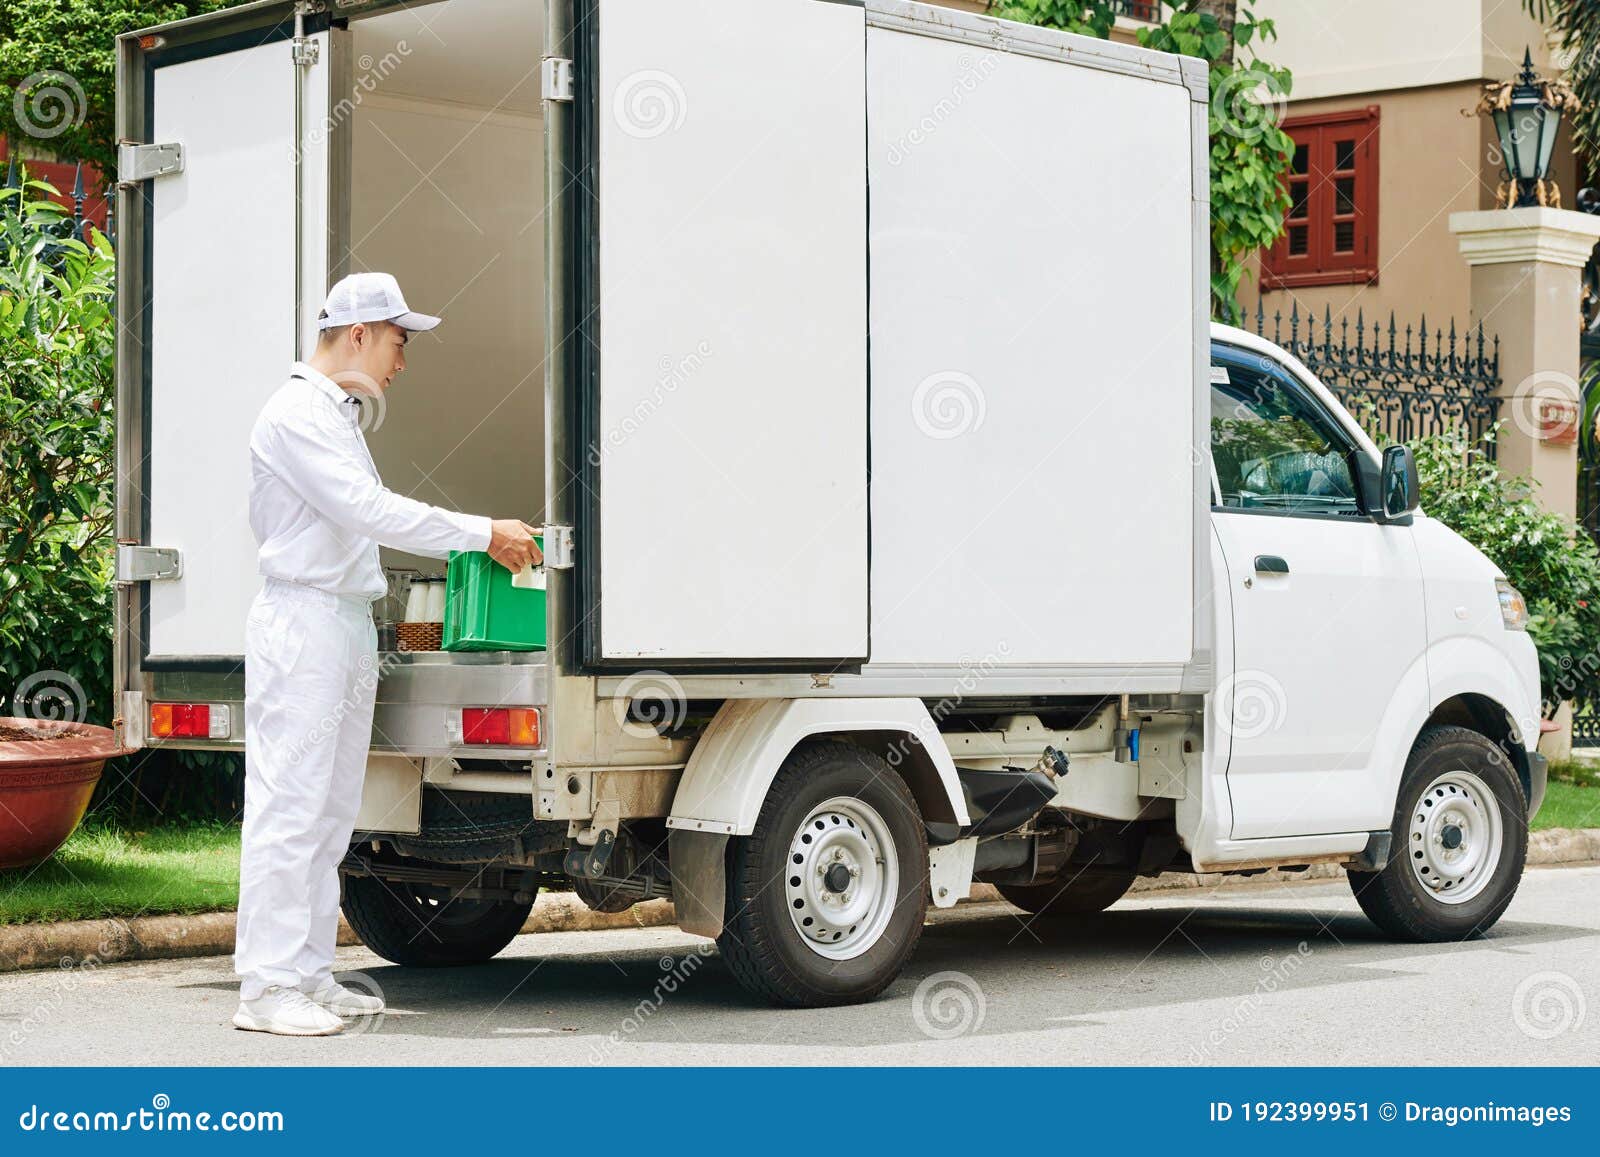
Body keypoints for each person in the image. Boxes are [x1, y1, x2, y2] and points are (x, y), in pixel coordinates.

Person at [232, 272, 540, 1036]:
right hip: (303, 624)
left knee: (330, 809)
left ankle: (304, 972)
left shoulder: (334, 417)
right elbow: (367, 510)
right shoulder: (299, 412)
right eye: (400, 341)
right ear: (361, 332)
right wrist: (480, 531)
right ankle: (265, 989)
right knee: (290, 807)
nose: (403, 360)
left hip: (337, 623)